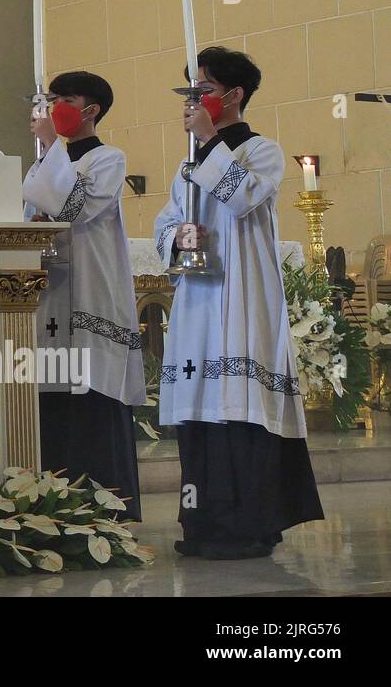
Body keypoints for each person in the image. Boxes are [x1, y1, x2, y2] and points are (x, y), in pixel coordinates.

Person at [155, 46, 322, 559]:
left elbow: (245, 197)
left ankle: (249, 526)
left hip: (243, 299)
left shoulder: (261, 151)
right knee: (202, 415)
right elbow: (165, 224)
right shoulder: (188, 163)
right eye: (191, 90)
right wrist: (179, 240)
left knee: (241, 411)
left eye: (203, 88)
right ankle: (203, 525)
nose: (195, 99)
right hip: (198, 301)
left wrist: (208, 141)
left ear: (234, 95)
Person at [23, 71, 143, 519]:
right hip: (53, 297)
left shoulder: (109, 159)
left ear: (90, 109)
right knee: (56, 401)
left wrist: (53, 145)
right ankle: (57, 509)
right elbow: (38, 210)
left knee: (92, 399)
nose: (56, 107)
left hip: (92, 295)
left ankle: (108, 510)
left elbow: (76, 208)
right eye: (51, 99)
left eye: (65, 99)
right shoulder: (45, 162)